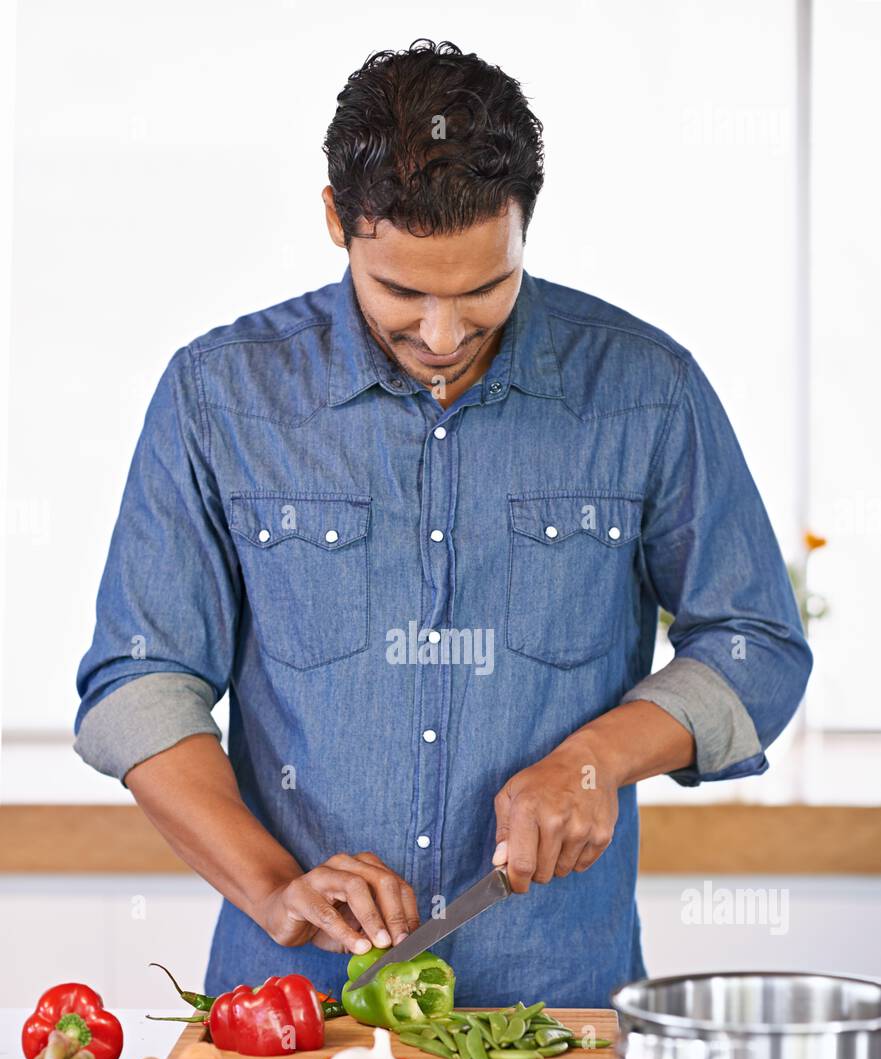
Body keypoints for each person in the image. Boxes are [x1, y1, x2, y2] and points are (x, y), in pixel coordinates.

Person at [74, 40, 811, 1006]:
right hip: (297, 1013)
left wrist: (594, 760)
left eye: (480, 292)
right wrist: (273, 884)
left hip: (559, 1010)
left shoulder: (646, 392)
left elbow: (755, 643)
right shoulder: (219, 396)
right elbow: (141, 681)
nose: (441, 336)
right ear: (337, 220)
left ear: (522, 229)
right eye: (402, 293)